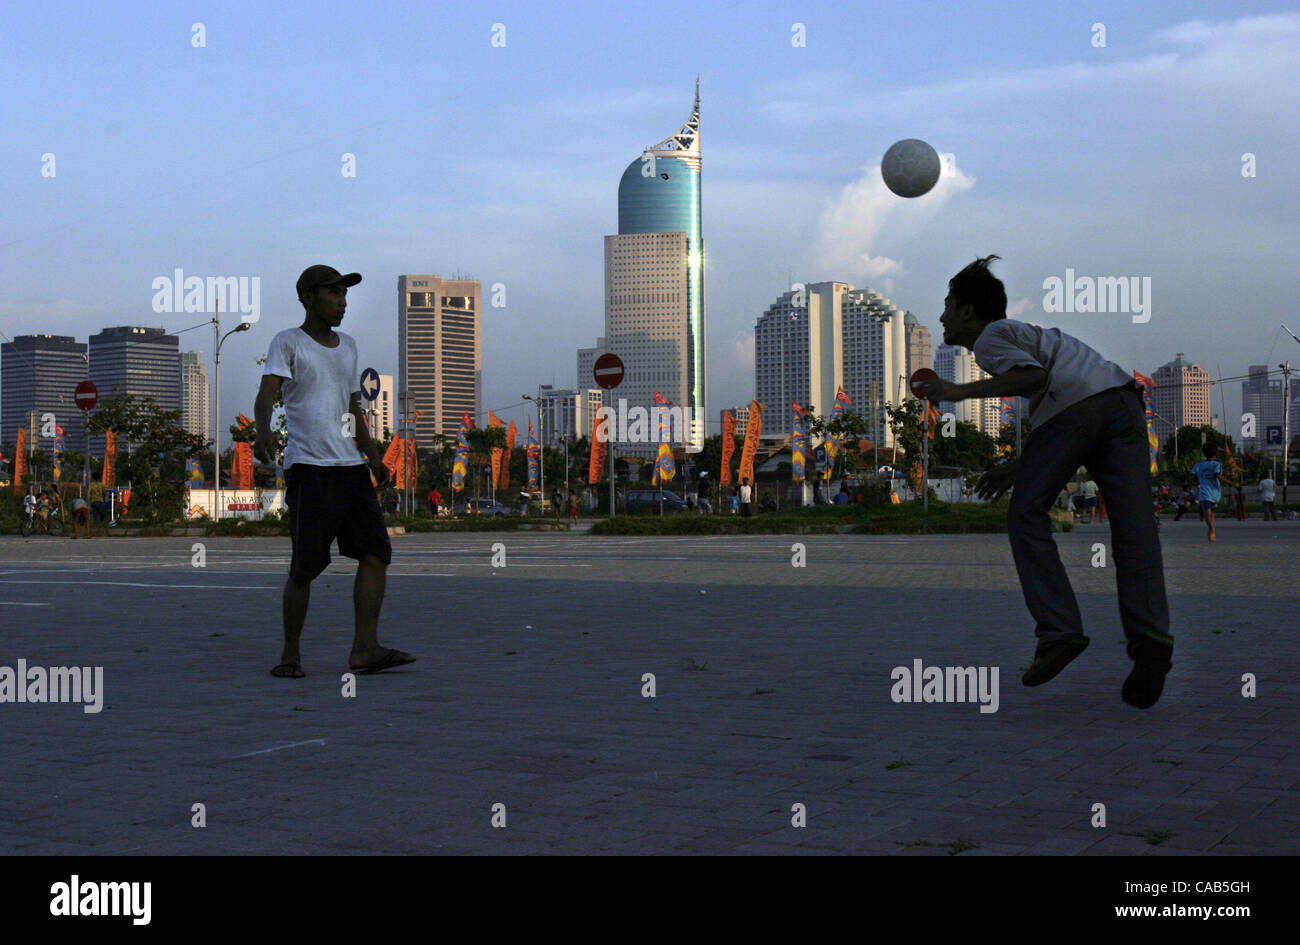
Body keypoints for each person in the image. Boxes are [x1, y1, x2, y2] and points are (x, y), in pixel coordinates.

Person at [917, 255, 1173, 709]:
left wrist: (953, 392)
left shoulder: (991, 337)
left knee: (1025, 515)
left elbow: (1036, 380)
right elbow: (1066, 418)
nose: (941, 316)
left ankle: (1059, 632)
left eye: (947, 305)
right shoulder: (1029, 334)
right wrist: (1016, 467)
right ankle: (1151, 639)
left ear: (969, 312)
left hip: (1078, 413)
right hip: (1122, 405)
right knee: (1135, 533)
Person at [255, 264, 414, 679]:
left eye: (345, 295)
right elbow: (267, 391)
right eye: (334, 294)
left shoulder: (348, 347)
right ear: (308, 297)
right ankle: (290, 654)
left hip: (351, 469)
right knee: (305, 567)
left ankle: (365, 648)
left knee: (377, 553)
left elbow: (352, 408)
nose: (343, 302)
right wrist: (263, 431)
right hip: (310, 469)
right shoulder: (287, 342)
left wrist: (374, 457)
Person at [1189, 442, 1236, 543]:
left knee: (1207, 511)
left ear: (1204, 453)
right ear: (1215, 453)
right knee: (1212, 511)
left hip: (1204, 490)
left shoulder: (1199, 465)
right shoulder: (1217, 464)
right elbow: (1218, 475)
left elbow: (1192, 475)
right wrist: (1231, 482)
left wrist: (1198, 481)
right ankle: (1212, 528)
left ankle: (1211, 528)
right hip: (1215, 491)